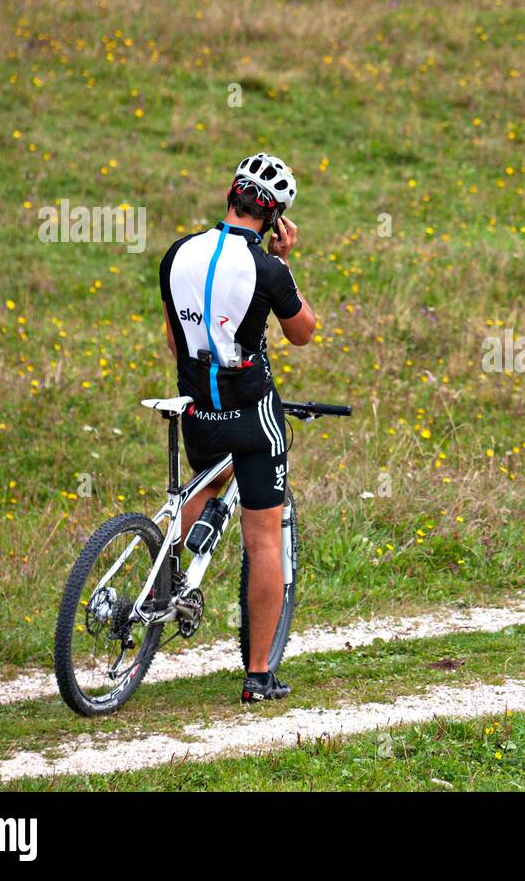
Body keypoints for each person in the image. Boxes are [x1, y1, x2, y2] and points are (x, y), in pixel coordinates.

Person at [158, 152, 316, 703]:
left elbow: (177, 341)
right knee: (264, 536)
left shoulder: (178, 253)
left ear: (231, 193)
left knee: (207, 481)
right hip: (251, 417)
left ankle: (159, 579)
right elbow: (303, 332)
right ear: (274, 217)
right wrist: (285, 262)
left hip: (196, 411)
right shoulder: (268, 269)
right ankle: (258, 676)